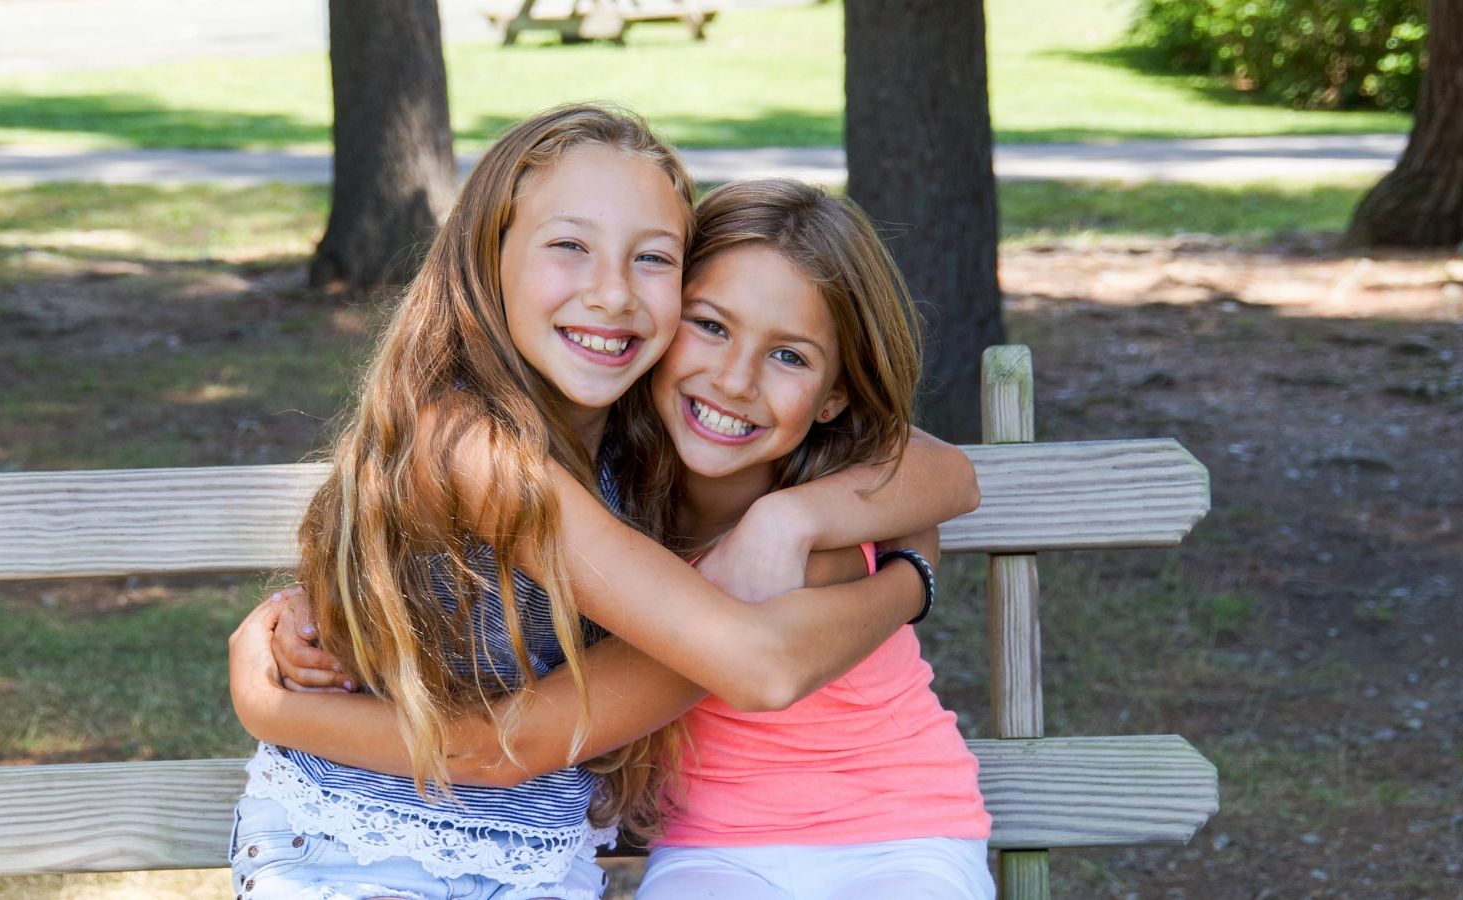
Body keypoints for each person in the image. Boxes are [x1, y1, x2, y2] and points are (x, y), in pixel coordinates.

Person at [225, 106, 978, 900]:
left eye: (651, 259)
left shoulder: (634, 428)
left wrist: (795, 518)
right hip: (358, 849)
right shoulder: (469, 446)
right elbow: (752, 663)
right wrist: (270, 709)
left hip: (536, 862)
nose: (612, 294)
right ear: (490, 255)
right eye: (569, 246)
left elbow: (942, 469)